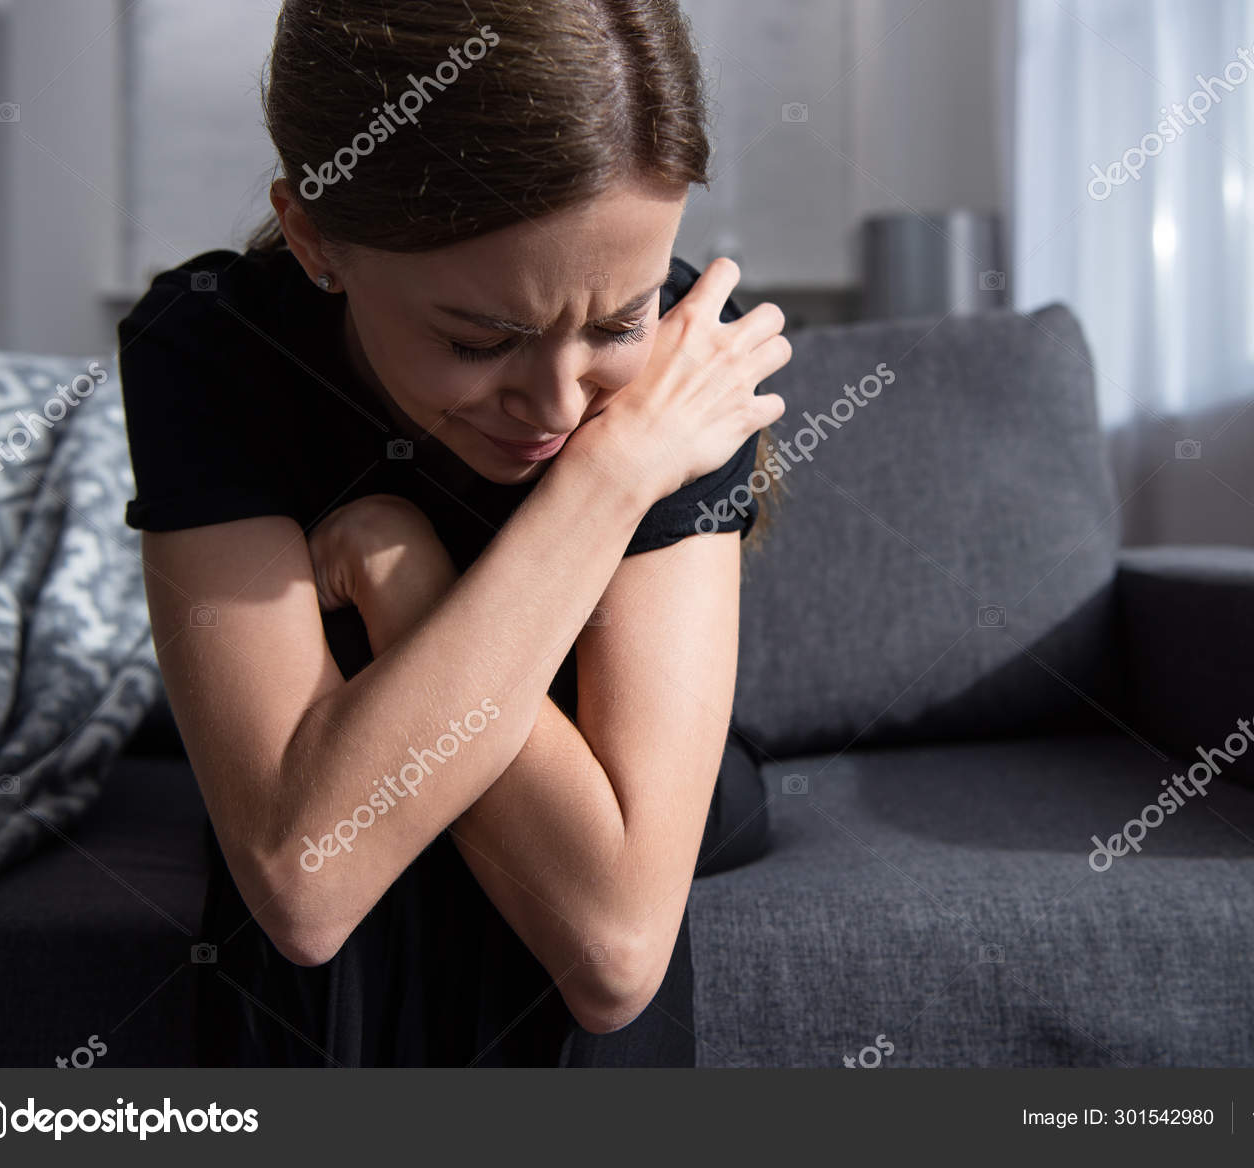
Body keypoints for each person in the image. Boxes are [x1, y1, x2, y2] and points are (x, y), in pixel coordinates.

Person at [116, 0, 791, 1067]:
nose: (561, 408)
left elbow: (614, 955)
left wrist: (420, 571)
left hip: (647, 774)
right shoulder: (212, 348)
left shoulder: (673, 374)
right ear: (312, 237)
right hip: (385, 794)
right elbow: (306, 880)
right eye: (481, 339)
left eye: (614, 324)